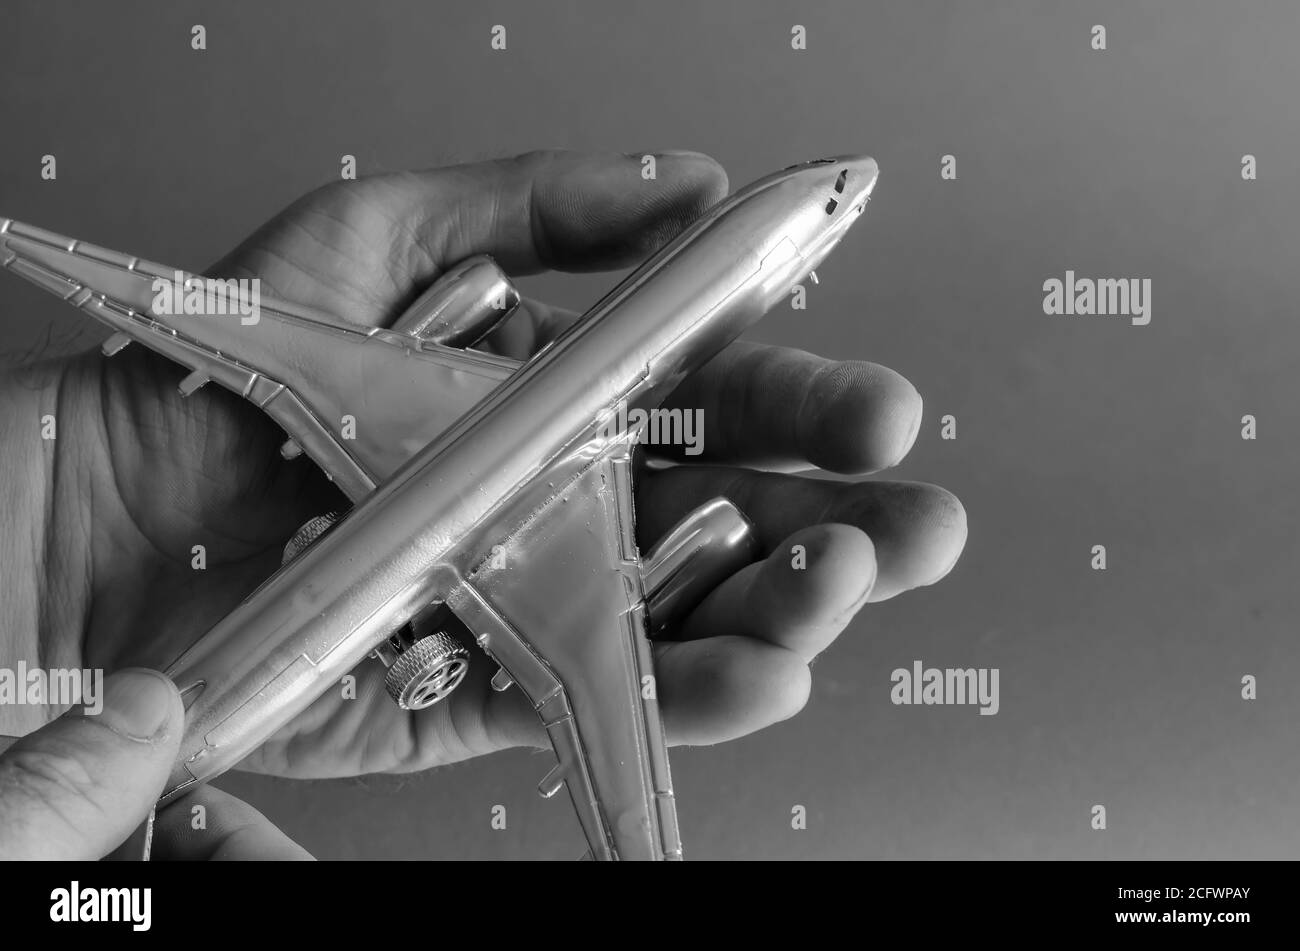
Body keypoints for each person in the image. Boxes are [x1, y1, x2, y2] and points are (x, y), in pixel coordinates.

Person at [0, 150, 967, 859]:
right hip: (143, 756)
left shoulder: (463, 394)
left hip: (128, 740)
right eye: (829, 205)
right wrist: (675, 568)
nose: (844, 188)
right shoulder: (589, 496)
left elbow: (219, 326)